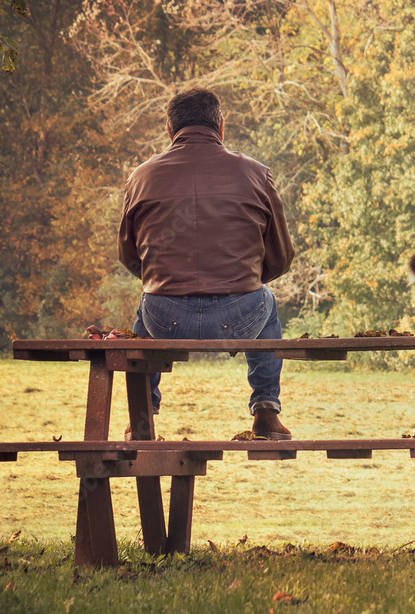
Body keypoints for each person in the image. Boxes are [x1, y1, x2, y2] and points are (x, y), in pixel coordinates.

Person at [118, 88, 295, 439]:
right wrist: (243, 282)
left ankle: (143, 417)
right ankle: (265, 412)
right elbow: (281, 257)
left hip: (164, 318)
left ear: (169, 131)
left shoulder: (140, 177)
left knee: (144, 311)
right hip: (240, 315)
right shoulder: (257, 173)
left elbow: (129, 257)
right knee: (268, 303)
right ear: (221, 127)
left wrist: (164, 282)